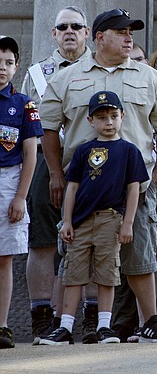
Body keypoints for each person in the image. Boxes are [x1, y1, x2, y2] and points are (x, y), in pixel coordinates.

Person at [40, 8, 157, 343]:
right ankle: (64, 327)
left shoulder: (149, 77)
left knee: (141, 254)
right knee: (73, 257)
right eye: (121, 32)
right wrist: (55, 175)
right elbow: (48, 129)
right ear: (100, 37)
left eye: (131, 32)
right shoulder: (66, 78)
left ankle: (151, 322)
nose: (129, 38)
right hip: (84, 189)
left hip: (133, 187)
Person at [38, 91, 147, 345]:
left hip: (110, 219)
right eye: (101, 117)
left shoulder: (129, 151)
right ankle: (65, 326)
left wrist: (128, 222)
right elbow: (72, 187)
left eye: (113, 116)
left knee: (107, 272)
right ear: (90, 121)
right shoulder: (83, 151)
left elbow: (133, 189)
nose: (108, 122)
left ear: (122, 116)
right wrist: (66, 221)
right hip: (80, 221)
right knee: (73, 273)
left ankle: (104, 326)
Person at [21, 6, 91, 344]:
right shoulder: (36, 74)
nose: (69, 32)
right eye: (62, 26)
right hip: (44, 169)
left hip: (91, 165)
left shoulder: (101, 70)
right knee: (43, 241)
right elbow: (25, 128)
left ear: (88, 32)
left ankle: (91, 319)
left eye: (76, 26)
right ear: (53, 33)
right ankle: (42, 318)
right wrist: (50, 172)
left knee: (94, 240)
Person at [0, 36, 40, 348]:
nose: (2, 68)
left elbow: (30, 155)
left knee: (4, 258)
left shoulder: (23, 104)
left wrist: (20, 197)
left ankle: (2, 326)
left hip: (9, 181)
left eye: (8, 62)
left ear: (16, 66)